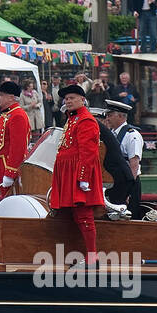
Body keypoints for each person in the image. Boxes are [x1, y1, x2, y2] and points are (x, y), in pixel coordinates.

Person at [50, 84, 106, 266]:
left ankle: (92, 255)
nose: (68, 101)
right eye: (66, 99)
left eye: (72, 98)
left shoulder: (86, 120)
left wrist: (83, 178)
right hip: (68, 172)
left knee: (83, 213)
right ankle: (77, 254)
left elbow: (88, 153)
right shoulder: (73, 119)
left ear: (83, 100)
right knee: (71, 214)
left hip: (77, 173)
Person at [0, 80, 30, 193]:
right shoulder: (8, 113)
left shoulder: (17, 115)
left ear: (11, 97)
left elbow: (18, 147)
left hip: (7, 163)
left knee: (11, 197)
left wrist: (11, 172)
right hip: (1, 162)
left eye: (1, 95)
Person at [104, 100, 145, 219]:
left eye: (110, 115)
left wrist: (127, 191)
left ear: (121, 116)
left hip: (129, 183)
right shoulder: (111, 134)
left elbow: (134, 165)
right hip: (115, 181)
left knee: (128, 216)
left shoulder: (132, 135)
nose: (107, 118)